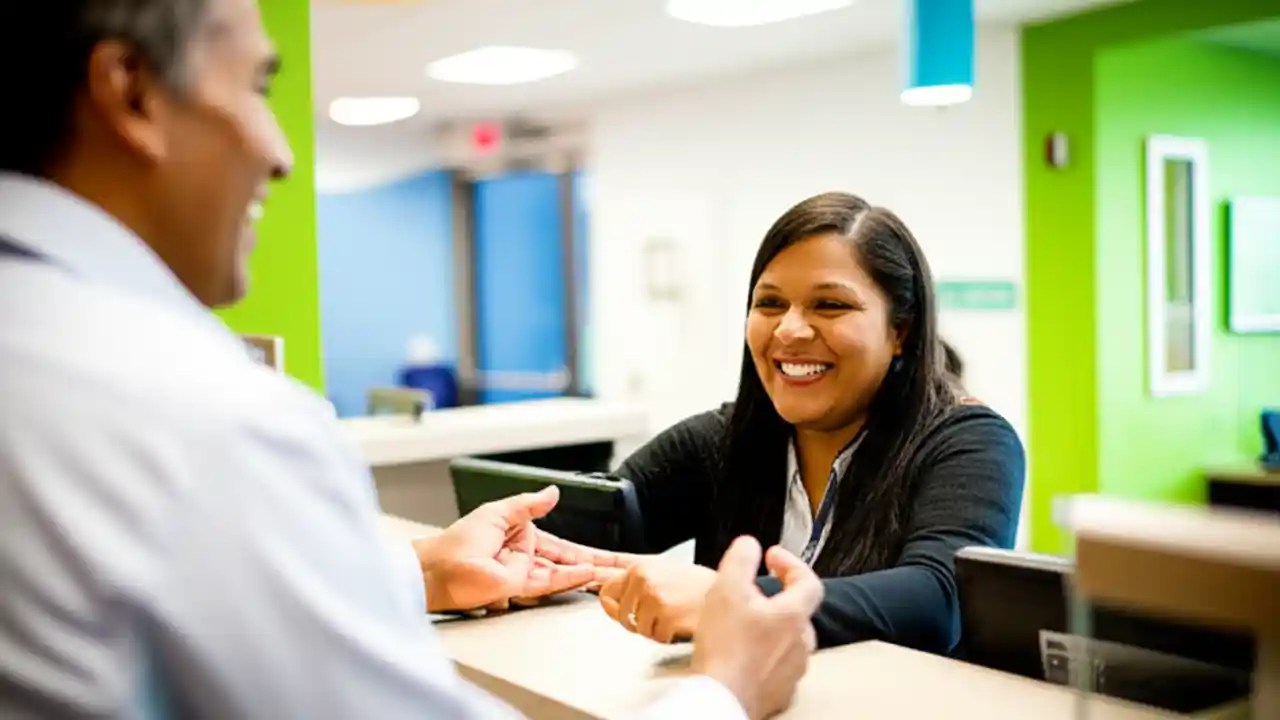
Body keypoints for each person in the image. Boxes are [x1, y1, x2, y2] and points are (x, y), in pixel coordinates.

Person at [0, 2, 822, 718]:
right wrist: (725, 689)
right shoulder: (202, 417)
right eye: (255, 87)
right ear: (131, 90)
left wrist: (419, 571)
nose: (280, 152)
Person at [595, 192, 1026, 653]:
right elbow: (600, 516)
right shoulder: (722, 442)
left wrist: (733, 603)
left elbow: (938, 599)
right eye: (770, 304)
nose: (789, 330)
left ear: (900, 331)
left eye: (830, 305)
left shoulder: (970, 443)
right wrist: (516, 541)